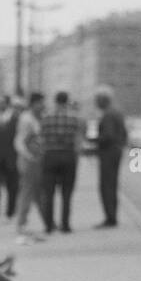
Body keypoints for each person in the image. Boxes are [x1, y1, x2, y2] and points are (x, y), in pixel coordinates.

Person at [38, 91, 84, 234]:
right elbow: (79, 141)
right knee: (67, 192)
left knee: (48, 193)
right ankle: (65, 225)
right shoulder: (75, 118)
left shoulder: (46, 117)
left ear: (55, 101)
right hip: (68, 155)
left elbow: (41, 138)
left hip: (50, 155)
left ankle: (49, 226)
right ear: (67, 101)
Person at [93, 86, 129, 228]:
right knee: (112, 185)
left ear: (103, 100)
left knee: (106, 185)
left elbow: (108, 135)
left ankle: (110, 217)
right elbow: (124, 133)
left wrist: (95, 141)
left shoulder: (108, 115)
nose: (96, 103)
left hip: (108, 152)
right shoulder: (117, 113)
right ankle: (112, 216)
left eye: (97, 100)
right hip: (116, 151)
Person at [14, 92, 45, 233]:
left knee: (39, 192)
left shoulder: (38, 117)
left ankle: (48, 221)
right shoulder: (26, 119)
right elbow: (19, 141)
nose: (43, 105)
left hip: (36, 160)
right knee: (27, 192)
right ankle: (21, 223)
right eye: (41, 102)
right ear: (34, 103)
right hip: (28, 160)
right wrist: (28, 155)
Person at [0, 96, 21, 223]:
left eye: (0, 103)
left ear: (7, 104)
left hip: (11, 158)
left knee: (12, 187)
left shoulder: (16, 119)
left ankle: (10, 213)